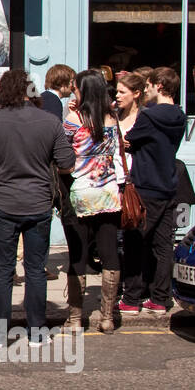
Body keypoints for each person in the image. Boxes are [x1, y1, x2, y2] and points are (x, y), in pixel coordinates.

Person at [0, 70, 75, 345]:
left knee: (4, 270)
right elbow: (67, 163)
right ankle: (37, 332)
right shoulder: (50, 122)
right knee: (35, 270)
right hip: (39, 203)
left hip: (5, 203)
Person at [120, 67, 186, 316]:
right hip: (168, 184)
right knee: (163, 245)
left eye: (148, 85)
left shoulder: (148, 117)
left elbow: (130, 140)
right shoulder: (179, 116)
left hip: (146, 184)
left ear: (159, 85)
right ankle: (160, 298)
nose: (146, 89)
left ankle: (131, 298)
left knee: (135, 242)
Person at [64, 69, 125, 333]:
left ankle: (76, 319)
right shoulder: (112, 118)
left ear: (82, 90)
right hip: (109, 191)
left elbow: (62, 152)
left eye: (76, 88)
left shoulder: (74, 118)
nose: (73, 92)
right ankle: (107, 318)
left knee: (79, 254)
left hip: (81, 191)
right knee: (109, 251)